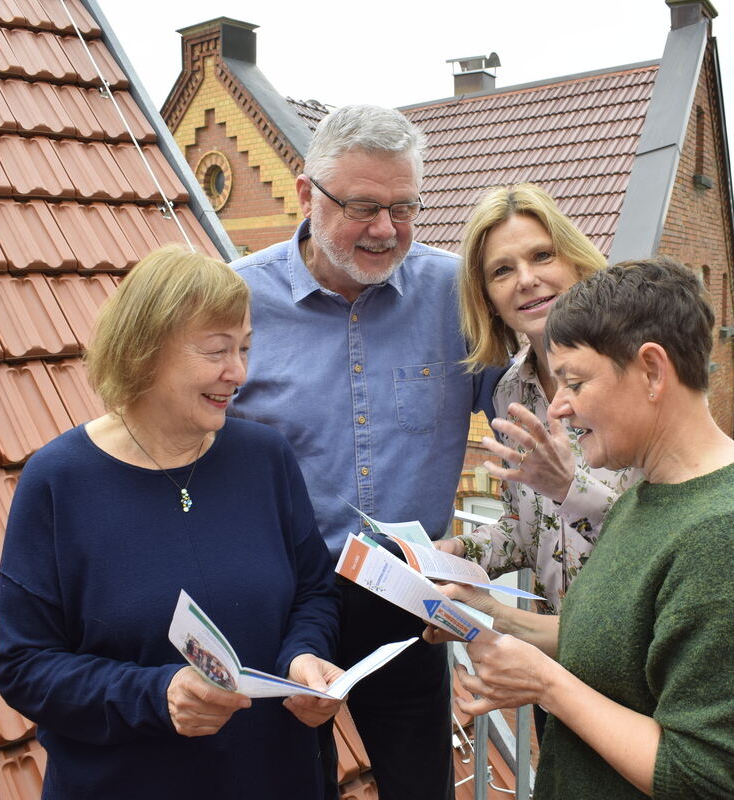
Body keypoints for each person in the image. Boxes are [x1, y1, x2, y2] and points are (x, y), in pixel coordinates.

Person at [427, 256, 734, 799]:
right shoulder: (647, 497)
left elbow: (720, 779)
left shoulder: (730, 542)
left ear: (652, 370)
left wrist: (546, 686)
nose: (558, 408)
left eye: (576, 382)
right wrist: (489, 616)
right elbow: (616, 645)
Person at [0, 245, 342, 798]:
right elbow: (24, 666)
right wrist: (156, 694)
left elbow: (313, 593)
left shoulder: (266, 457)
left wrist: (303, 655)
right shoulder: (58, 481)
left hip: (274, 776)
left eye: (246, 348)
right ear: (145, 351)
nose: (239, 373)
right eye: (217, 351)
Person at [229, 104, 499, 800]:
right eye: (363, 207)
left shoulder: (455, 292)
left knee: (421, 787)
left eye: (404, 207)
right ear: (306, 195)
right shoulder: (235, 298)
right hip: (285, 601)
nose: (386, 230)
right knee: (294, 784)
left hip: (409, 601)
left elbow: (536, 399)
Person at [435, 183, 638, 614]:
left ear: (576, 262)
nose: (527, 280)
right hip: (552, 657)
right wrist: (459, 551)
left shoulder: (634, 376)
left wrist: (570, 488)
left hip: (634, 656)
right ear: (488, 300)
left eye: (542, 256)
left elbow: (667, 540)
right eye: (502, 271)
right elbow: (528, 530)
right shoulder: (509, 392)